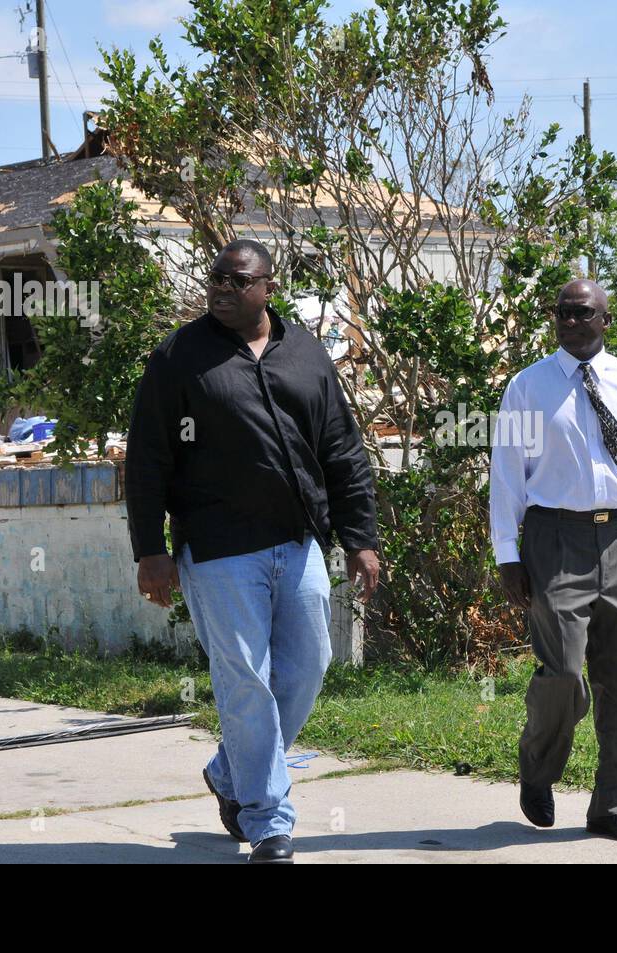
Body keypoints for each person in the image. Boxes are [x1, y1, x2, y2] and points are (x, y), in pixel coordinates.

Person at [126, 239, 380, 864]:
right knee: (244, 682)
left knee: (308, 667)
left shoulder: (306, 355)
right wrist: (149, 549)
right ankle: (270, 823)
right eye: (215, 279)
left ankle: (229, 772)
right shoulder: (179, 358)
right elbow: (148, 458)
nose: (221, 289)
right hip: (217, 551)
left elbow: (342, 452)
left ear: (268, 287)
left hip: (297, 546)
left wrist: (360, 537)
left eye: (237, 281)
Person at [489, 278, 617, 843]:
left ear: (605, 319)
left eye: (583, 313)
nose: (572, 321)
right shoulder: (529, 387)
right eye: (563, 313)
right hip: (554, 539)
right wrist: (508, 553)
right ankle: (538, 770)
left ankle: (615, 805)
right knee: (565, 672)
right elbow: (507, 476)